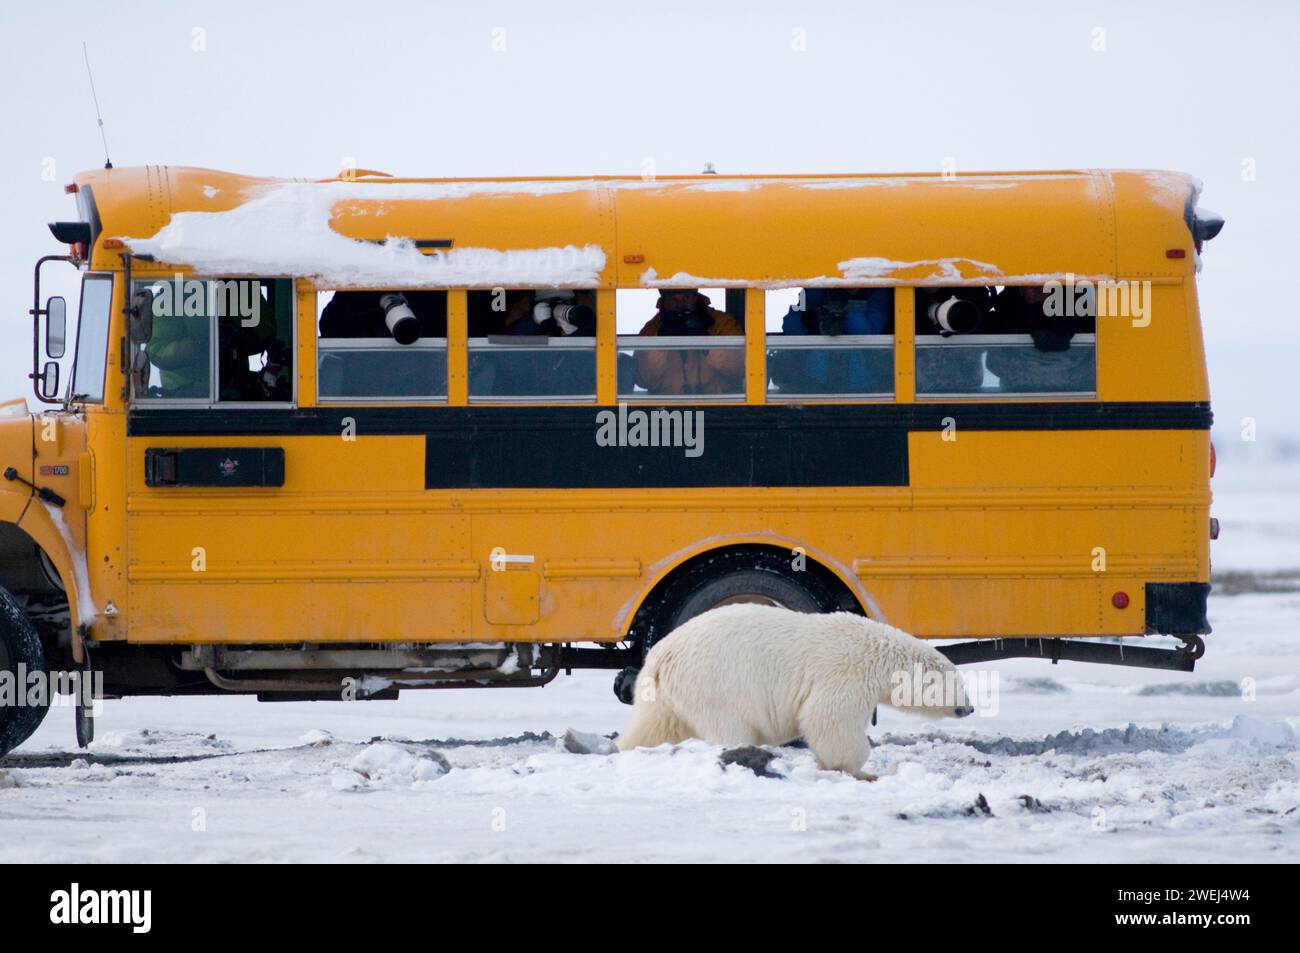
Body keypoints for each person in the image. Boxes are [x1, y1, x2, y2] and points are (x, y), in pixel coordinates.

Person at [769, 288, 892, 394]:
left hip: (863, 379)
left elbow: (866, 333)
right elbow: (792, 327)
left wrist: (848, 310)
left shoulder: (877, 292)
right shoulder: (819, 289)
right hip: (815, 376)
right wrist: (811, 320)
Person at [984, 285, 1094, 393]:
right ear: (1020, 290)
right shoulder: (1005, 315)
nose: (1036, 292)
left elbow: (994, 363)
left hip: (1078, 398)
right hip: (1080, 396)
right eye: (1030, 287)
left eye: (1042, 286)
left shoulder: (1084, 317)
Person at [634, 289, 743, 396]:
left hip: (721, 405)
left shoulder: (722, 323)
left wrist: (708, 343)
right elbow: (644, 380)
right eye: (673, 298)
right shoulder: (652, 329)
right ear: (664, 299)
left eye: (686, 297)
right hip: (668, 407)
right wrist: (661, 341)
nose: (680, 304)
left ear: (695, 296)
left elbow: (740, 369)